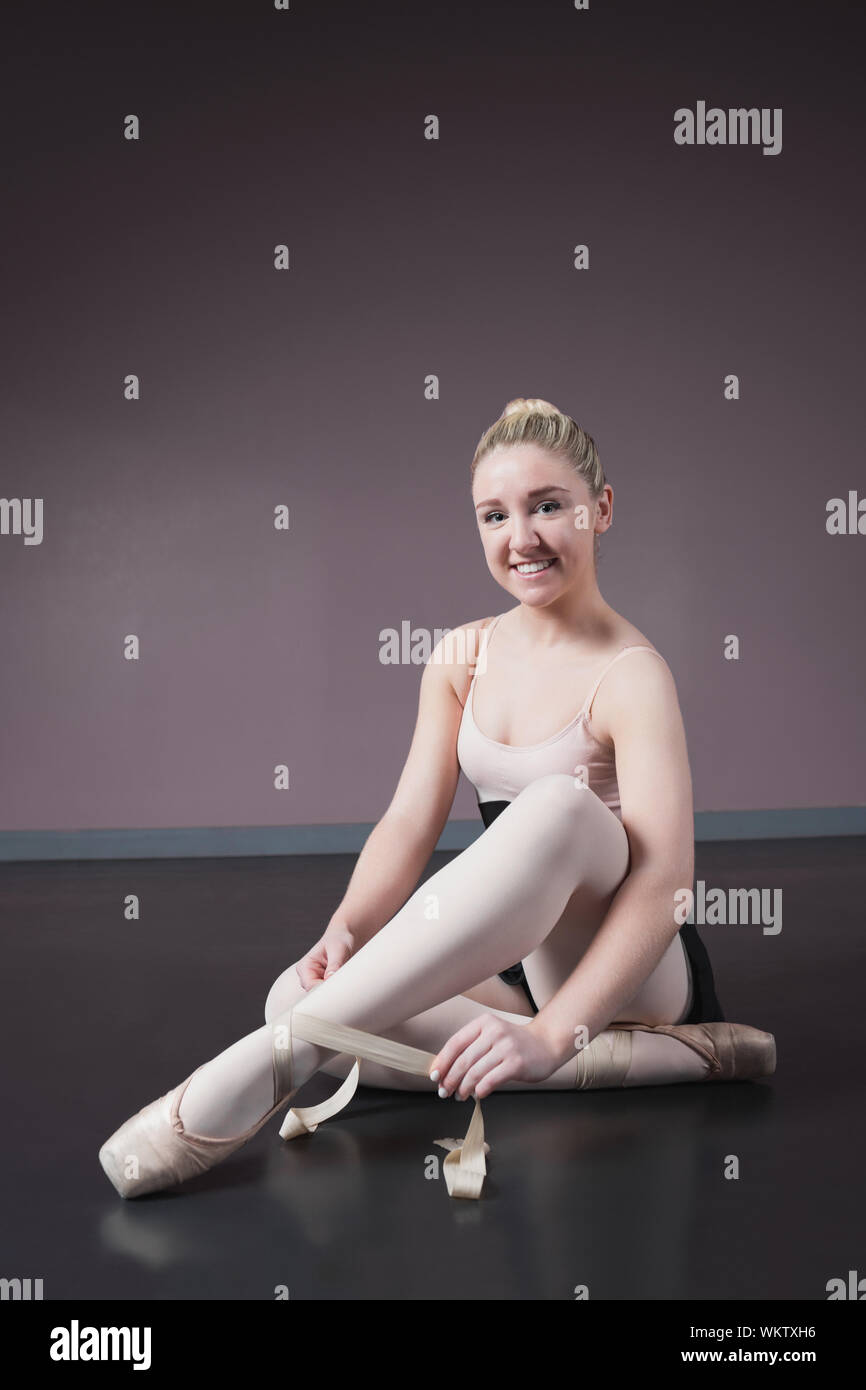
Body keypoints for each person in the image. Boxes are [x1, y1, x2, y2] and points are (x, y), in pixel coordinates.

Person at [99, 397, 775, 1199]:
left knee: (557, 807)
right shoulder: (463, 656)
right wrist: (347, 926)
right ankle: (676, 1063)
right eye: (495, 515)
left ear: (602, 509)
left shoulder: (632, 673)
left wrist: (559, 1030)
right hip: (524, 966)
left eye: (548, 506)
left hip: (636, 973)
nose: (520, 538)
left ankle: (249, 1072)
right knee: (298, 993)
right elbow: (411, 820)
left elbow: (665, 886)